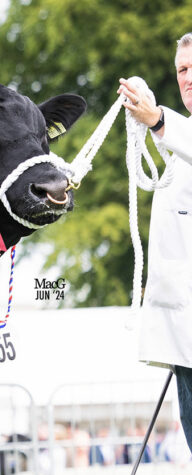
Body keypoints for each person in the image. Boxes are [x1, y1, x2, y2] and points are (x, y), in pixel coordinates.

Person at [119, 32, 192, 452]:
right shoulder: (180, 146)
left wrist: (159, 120)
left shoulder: (179, 135)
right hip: (183, 328)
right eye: (182, 69)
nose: (187, 77)